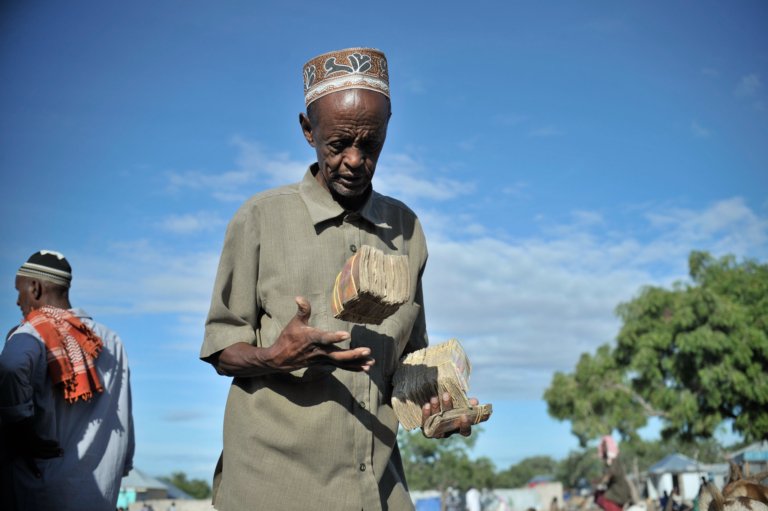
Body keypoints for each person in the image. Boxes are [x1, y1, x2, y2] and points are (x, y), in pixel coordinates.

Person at [200, 47, 484, 511]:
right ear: (308, 130)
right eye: (337, 145)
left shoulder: (407, 229)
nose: (354, 160)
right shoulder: (260, 219)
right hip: (274, 486)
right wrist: (275, 356)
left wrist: (439, 406)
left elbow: (409, 364)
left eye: (370, 145)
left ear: (389, 127)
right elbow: (221, 349)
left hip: (379, 489)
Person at [0, 251, 134, 511]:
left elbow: (10, 365)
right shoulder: (110, 339)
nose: (18, 300)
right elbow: (124, 412)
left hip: (39, 489)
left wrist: (17, 426)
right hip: (97, 495)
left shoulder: (31, 331)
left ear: (35, 288)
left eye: (19, 290)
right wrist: (124, 463)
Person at [594, 435, 632, 511]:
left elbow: (611, 474)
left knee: (602, 498)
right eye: (603, 445)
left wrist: (601, 480)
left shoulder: (614, 460)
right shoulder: (607, 462)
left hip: (618, 491)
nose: (604, 448)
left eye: (605, 445)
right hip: (613, 491)